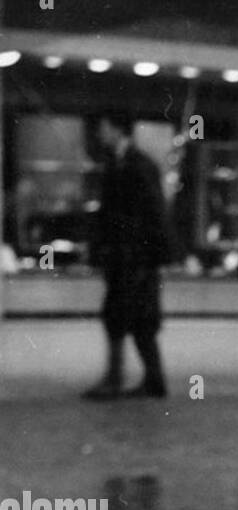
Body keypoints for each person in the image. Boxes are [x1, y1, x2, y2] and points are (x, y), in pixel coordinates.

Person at [83, 112, 173, 400]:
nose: (100, 134)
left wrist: (148, 254)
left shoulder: (136, 165)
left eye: (104, 127)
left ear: (116, 128)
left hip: (135, 257)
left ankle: (121, 378)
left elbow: (152, 213)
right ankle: (148, 379)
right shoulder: (121, 163)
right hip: (125, 256)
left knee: (130, 317)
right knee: (130, 317)